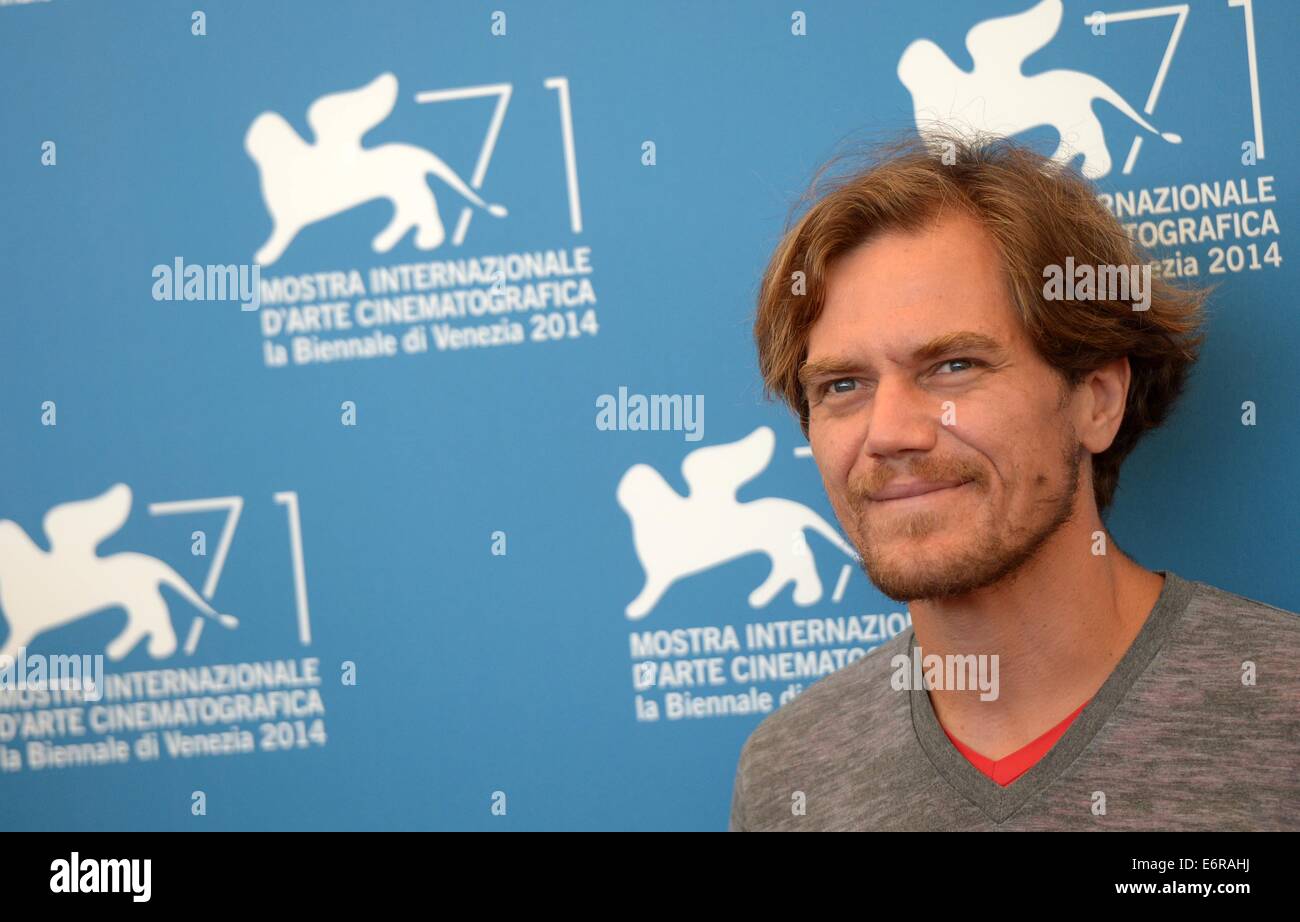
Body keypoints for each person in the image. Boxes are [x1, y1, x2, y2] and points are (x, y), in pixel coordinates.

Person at [731, 131, 1300, 831]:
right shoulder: (791, 773)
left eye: (955, 366)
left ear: (1096, 399)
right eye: (843, 385)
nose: (889, 432)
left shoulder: (1282, 712)